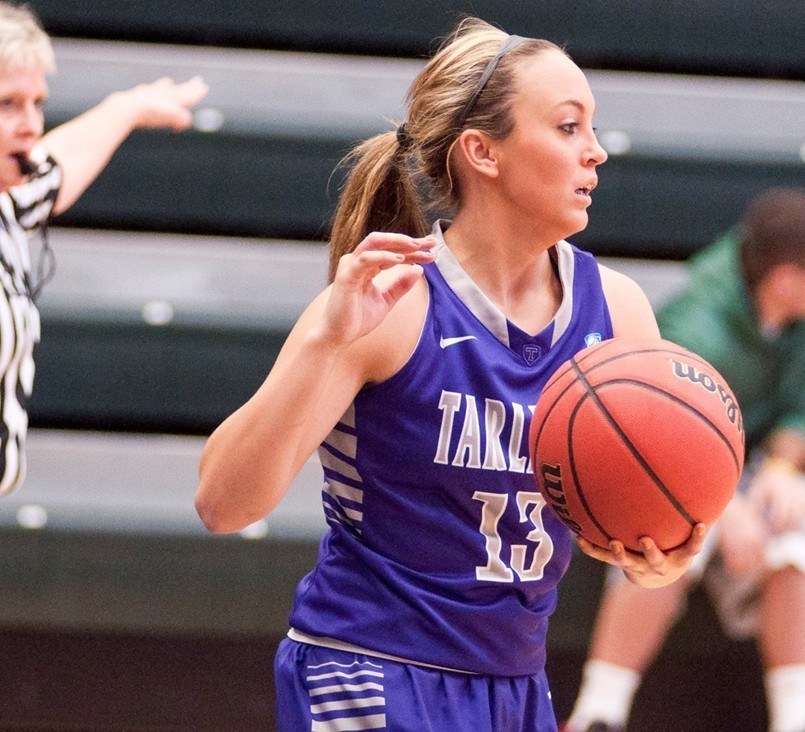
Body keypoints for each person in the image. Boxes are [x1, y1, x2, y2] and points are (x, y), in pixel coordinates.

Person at [195, 18, 706, 732]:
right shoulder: (393, 302)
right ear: (481, 152)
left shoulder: (617, 313)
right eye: (567, 127)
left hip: (514, 685)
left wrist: (659, 552)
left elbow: (645, 537)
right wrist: (323, 340)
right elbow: (223, 505)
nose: (596, 152)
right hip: (367, 669)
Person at [564, 188, 805, 732]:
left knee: (797, 534)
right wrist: (725, 506)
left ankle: (795, 723)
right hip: (666, 475)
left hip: (745, 471)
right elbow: (653, 450)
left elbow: (798, 414)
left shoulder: (804, 316)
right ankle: (596, 713)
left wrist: (780, 469)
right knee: (674, 537)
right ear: (787, 278)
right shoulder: (697, 329)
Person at [0, 1, 207, 496]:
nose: (31, 125)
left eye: (36, 103)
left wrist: (128, 106)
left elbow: (55, 166)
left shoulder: (7, 201)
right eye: (7, 104)